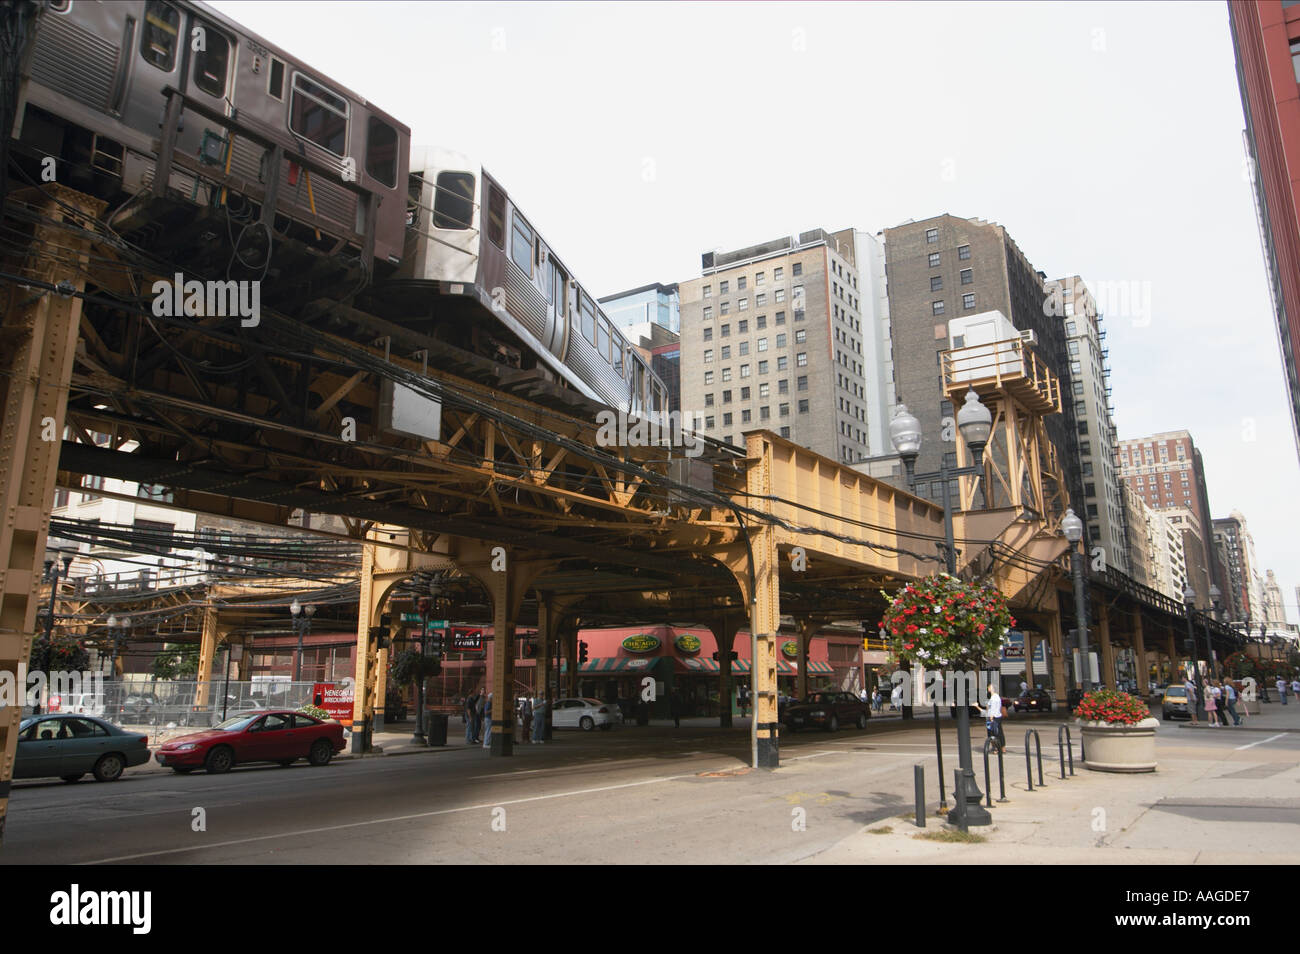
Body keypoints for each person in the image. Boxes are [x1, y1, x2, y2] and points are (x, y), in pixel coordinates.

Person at [981, 682, 1005, 752]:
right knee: (998, 732)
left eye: (990, 687)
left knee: (993, 733)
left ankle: (996, 748)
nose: (988, 687)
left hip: (993, 717)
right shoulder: (994, 697)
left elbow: (993, 708)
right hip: (996, 716)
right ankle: (1001, 747)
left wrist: (991, 717)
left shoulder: (994, 698)